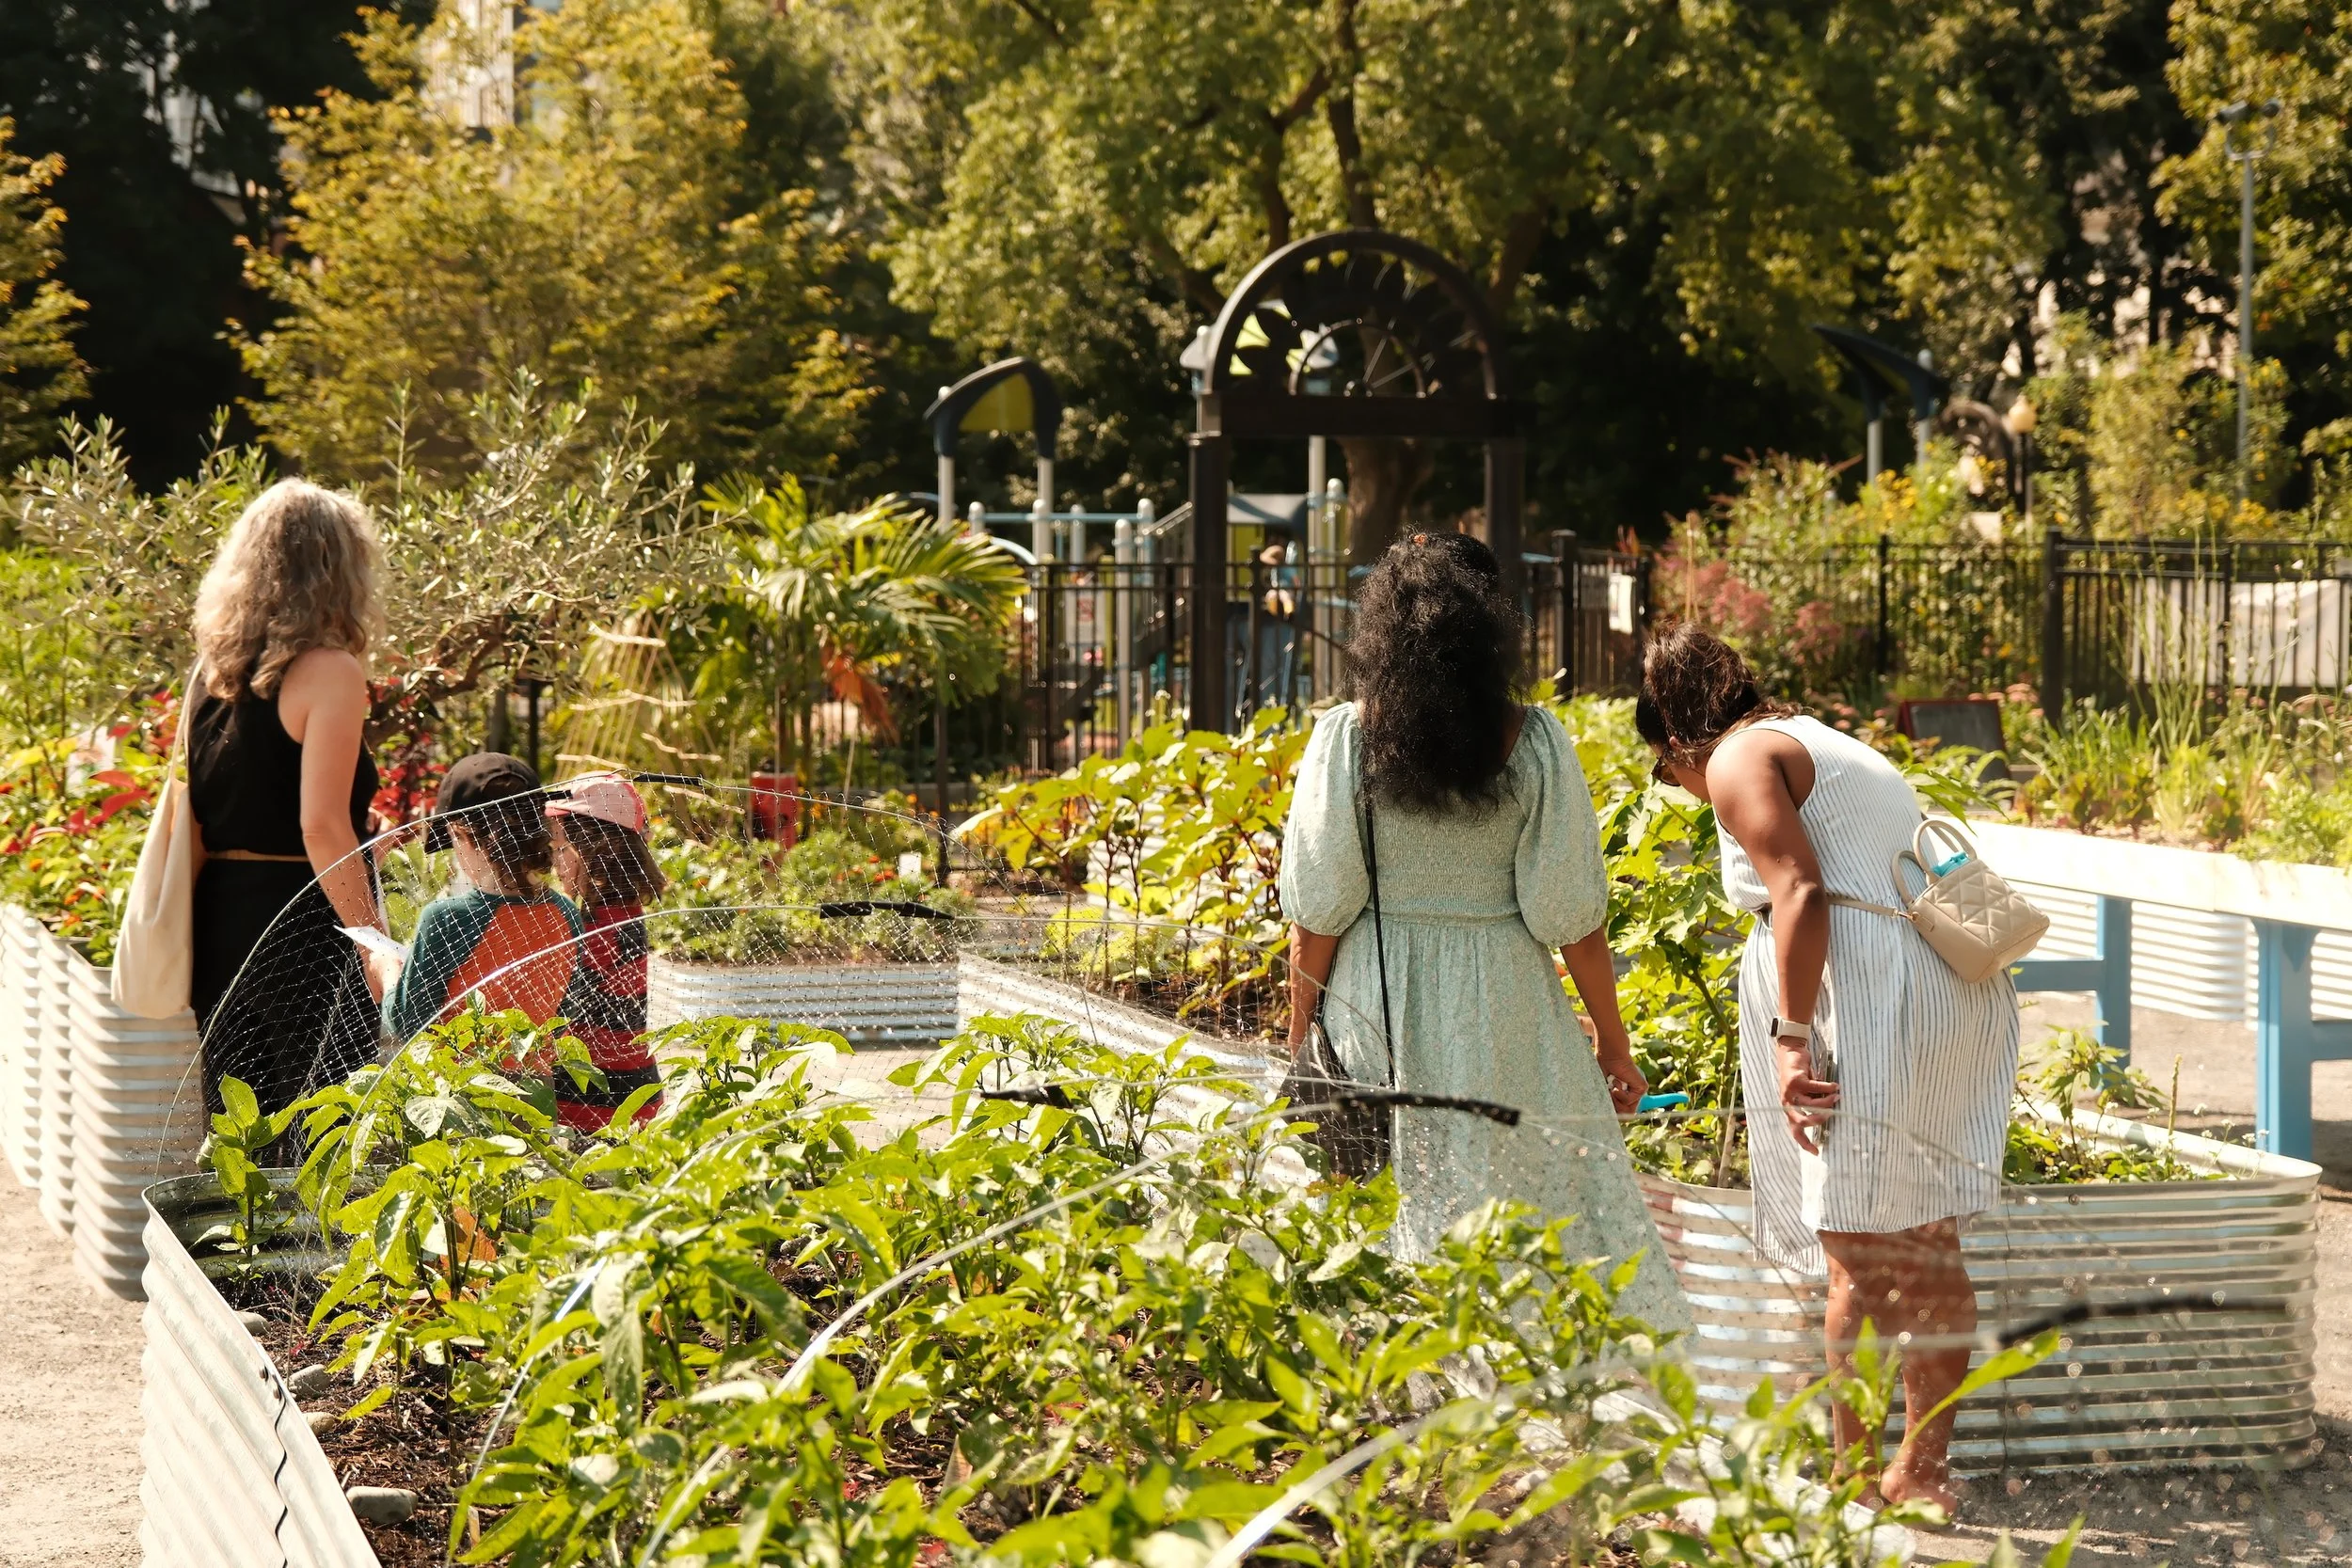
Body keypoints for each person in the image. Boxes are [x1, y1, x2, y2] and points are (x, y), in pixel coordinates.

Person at [1637, 624, 2017, 1513]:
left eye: (1664, 769)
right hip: (1934, 987)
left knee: (1868, 1253)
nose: (1678, 785)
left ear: (1678, 737)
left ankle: (1874, 1480)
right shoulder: (1812, 739)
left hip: (1872, 997)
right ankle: (1905, 1472)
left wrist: (1790, 1034)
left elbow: (1800, 891)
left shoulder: (1738, 756)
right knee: (1911, 1244)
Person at [1278, 531, 1689, 1331]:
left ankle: (1393, 1377)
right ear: (1493, 624)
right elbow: (1569, 915)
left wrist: (1300, 1038)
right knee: (1519, 1216)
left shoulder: (1347, 738)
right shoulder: (1534, 741)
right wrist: (1613, 1044)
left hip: (1375, 1000)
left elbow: (1318, 914)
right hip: (1506, 1004)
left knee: (1379, 1212)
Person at [187, 480, 392, 1115]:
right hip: (302, 923)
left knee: (239, 1130)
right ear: (340, 567)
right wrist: (373, 944)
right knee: (321, 1131)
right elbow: (321, 826)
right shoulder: (330, 671)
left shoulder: (213, 672)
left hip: (219, 918)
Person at [380, 753, 582, 1048]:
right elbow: (566, 1010)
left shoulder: (445, 917)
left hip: (459, 1076)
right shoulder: (566, 912)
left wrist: (387, 970)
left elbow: (408, 1023)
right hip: (534, 1074)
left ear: (460, 834)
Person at [547, 774, 667, 1132]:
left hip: (596, 1098)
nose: (554, 864)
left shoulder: (597, 929)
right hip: (633, 1088)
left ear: (596, 853)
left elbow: (558, 1007)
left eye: (560, 850)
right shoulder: (624, 913)